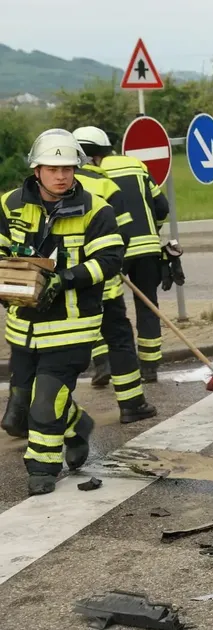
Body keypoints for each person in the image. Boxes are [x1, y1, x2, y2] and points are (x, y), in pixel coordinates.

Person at [0, 129, 124, 495]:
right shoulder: (10, 205)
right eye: (53, 168)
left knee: (44, 405)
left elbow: (110, 260)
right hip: (23, 329)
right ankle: (78, 424)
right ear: (36, 170)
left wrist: (65, 279)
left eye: (68, 168)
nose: (61, 176)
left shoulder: (96, 210)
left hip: (72, 328)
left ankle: (42, 469)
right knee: (17, 415)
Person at [72, 125, 171, 382]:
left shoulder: (86, 176)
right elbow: (161, 207)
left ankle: (103, 363)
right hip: (147, 247)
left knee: (100, 303)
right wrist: (154, 230)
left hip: (110, 250)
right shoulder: (136, 165)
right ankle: (149, 366)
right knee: (148, 304)